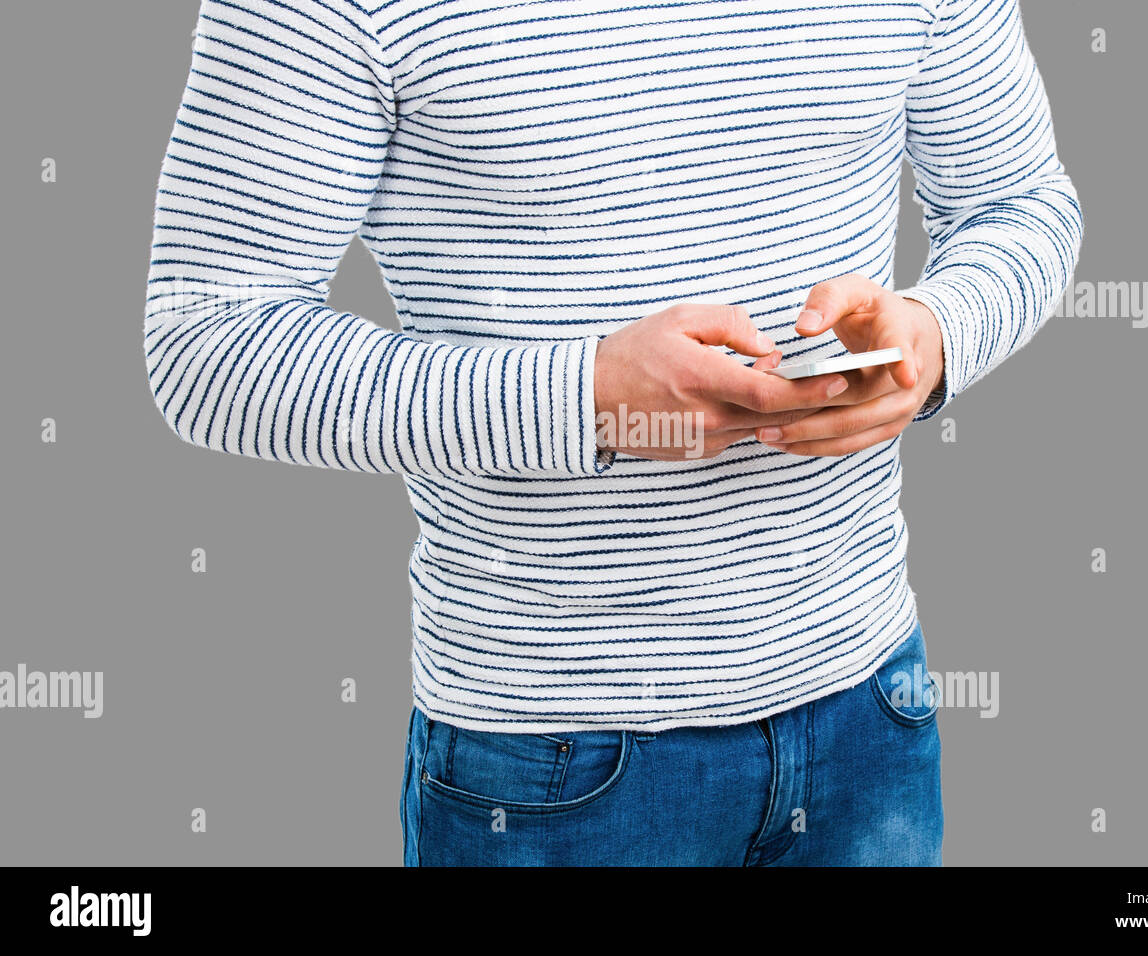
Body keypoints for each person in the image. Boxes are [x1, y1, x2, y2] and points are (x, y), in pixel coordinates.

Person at [144, 0, 1082, 866]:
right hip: (552, 764)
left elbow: (1021, 201)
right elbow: (204, 341)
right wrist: (587, 397)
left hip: (871, 704)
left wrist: (936, 334)